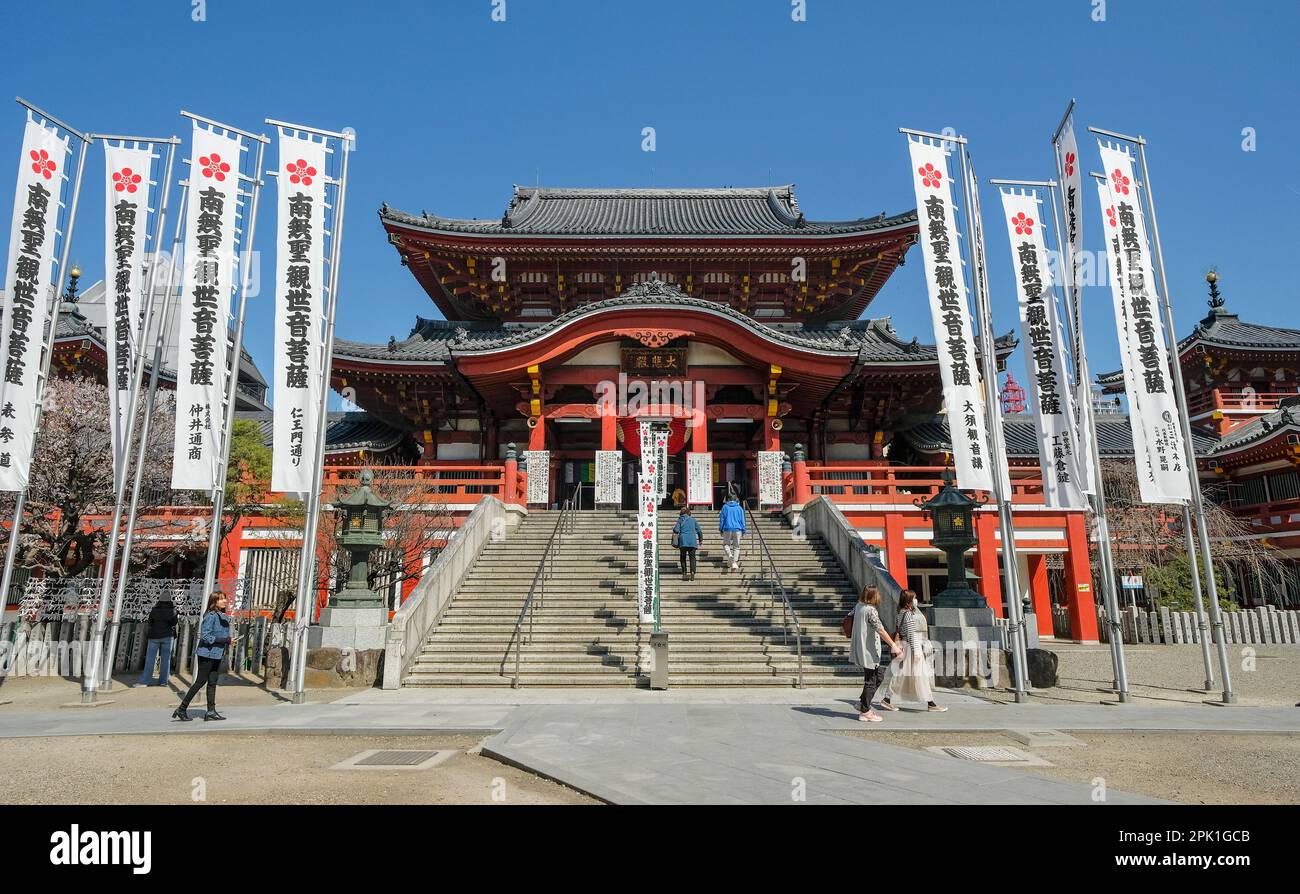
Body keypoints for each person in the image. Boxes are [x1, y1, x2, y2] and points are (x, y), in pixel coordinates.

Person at [879, 588, 947, 713]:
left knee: (902, 675)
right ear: (909, 600)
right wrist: (916, 651)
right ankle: (930, 704)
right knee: (919, 676)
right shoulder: (908, 614)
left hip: (905, 647)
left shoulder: (900, 613)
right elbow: (911, 634)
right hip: (911, 649)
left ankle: (888, 699)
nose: (916, 600)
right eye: (914, 598)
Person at [173, 592, 232, 722]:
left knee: (212, 682)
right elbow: (204, 635)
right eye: (221, 599)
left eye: (224, 599)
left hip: (216, 653)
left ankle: (211, 711)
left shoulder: (221, 616)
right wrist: (225, 640)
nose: (224, 601)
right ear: (214, 602)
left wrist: (228, 641)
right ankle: (181, 709)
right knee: (200, 681)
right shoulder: (211, 616)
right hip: (207, 653)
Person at [850, 586, 903, 722]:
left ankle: (862, 703)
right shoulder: (870, 611)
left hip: (862, 648)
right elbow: (880, 630)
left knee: (878, 675)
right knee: (871, 680)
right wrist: (894, 646)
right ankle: (865, 711)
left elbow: (850, 617)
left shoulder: (858, 606)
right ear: (874, 596)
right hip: (869, 650)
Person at [135, 595, 177, 687]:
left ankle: (145, 681)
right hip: (168, 636)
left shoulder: (154, 610)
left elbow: (150, 622)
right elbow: (174, 623)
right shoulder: (173, 611)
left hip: (154, 636)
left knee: (150, 658)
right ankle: (163, 681)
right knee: (166, 659)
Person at [672, 506, 703, 581]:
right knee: (692, 558)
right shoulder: (693, 520)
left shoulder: (680, 520)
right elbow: (699, 531)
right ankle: (692, 572)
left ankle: (684, 572)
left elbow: (676, 530)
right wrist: (700, 539)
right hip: (692, 541)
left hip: (683, 541)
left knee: (683, 557)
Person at [718, 492, 746, 572]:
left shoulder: (725, 507)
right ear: (735, 498)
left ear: (728, 499)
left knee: (726, 544)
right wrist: (743, 529)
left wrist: (721, 528)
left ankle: (730, 556)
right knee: (736, 546)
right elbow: (742, 520)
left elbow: (722, 519)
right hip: (738, 529)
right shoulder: (739, 508)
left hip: (727, 528)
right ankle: (734, 562)